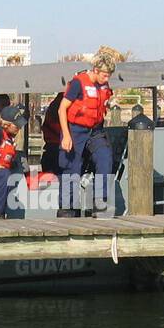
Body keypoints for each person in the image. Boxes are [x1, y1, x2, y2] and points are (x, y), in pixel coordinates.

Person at [58, 49, 118, 216]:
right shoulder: (79, 83)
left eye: (109, 75)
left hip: (95, 130)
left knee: (105, 157)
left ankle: (100, 202)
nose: (107, 79)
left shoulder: (104, 85)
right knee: (72, 167)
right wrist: (66, 135)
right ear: (96, 70)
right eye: (105, 75)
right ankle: (67, 208)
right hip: (75, 129)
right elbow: (62, 109)